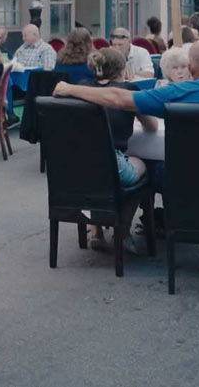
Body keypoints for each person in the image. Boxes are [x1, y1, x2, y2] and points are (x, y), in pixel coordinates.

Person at [55, 39, 199, 213]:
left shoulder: (175, 95)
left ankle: (161, 221)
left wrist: (70, 89)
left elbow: (118, 98)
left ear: (191, 68)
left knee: (154, 169)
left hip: (188, 185)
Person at [80, 47, 147, 254]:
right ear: (123, 68)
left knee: (100, 170)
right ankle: (123, 229)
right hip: (112, 165)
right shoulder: (129, 89)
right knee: (143, 169)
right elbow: (151, 126)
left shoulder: (81, 88)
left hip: (76, 167)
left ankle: (96, 231)